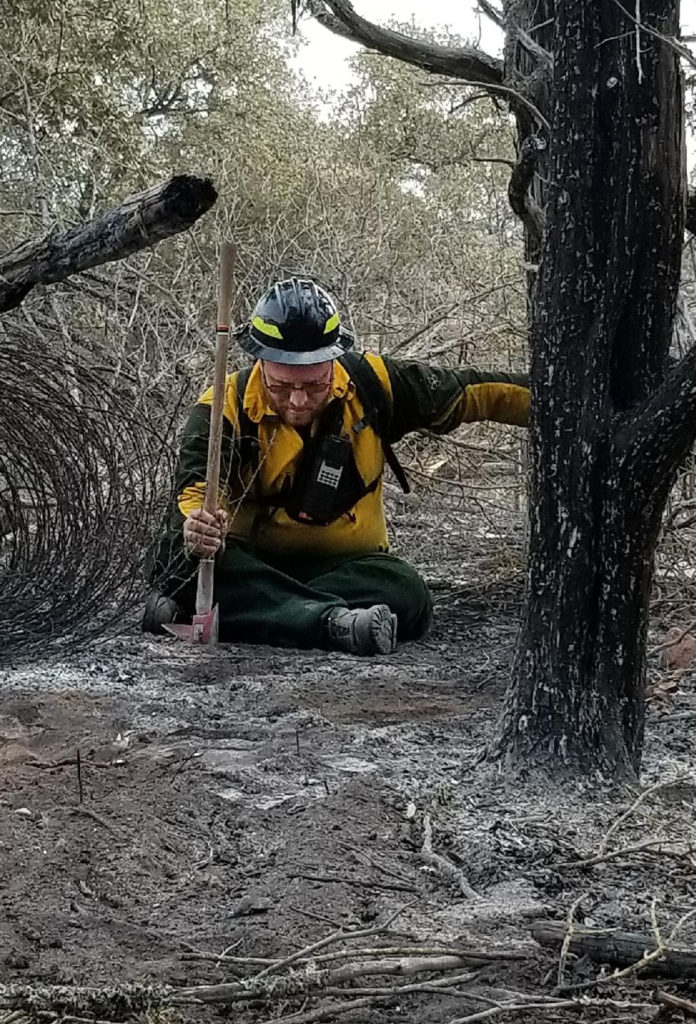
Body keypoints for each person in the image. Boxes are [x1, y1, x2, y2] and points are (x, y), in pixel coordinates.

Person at [143, 278, 529, 655]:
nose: (297, 401)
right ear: (260, 362)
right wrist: (199, 527)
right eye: (280, 386)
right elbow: (193, 494)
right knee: (175, 555)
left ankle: (230, 613)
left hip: (343, 570)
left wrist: (564, 400)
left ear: (333, 361)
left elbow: (472, 392)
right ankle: (333, 622)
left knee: (407, 593)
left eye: (313, 385)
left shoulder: (373, 382)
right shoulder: (221, 404)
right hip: (247, 562)